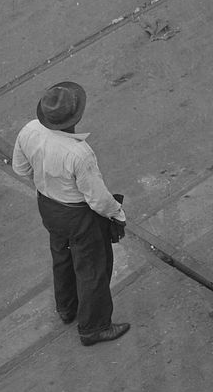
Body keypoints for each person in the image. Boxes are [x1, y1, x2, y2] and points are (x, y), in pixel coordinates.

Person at [11, 81, 130, 347]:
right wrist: (118, 213)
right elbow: (97, 199)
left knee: (62, 256)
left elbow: (21, 169)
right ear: (75, 117)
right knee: (92, 268)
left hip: (49, 208)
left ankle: (66, 308)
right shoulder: (79, 153)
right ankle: (94, 327)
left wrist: (47, 184)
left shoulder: (29, 130)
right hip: (80, 218)